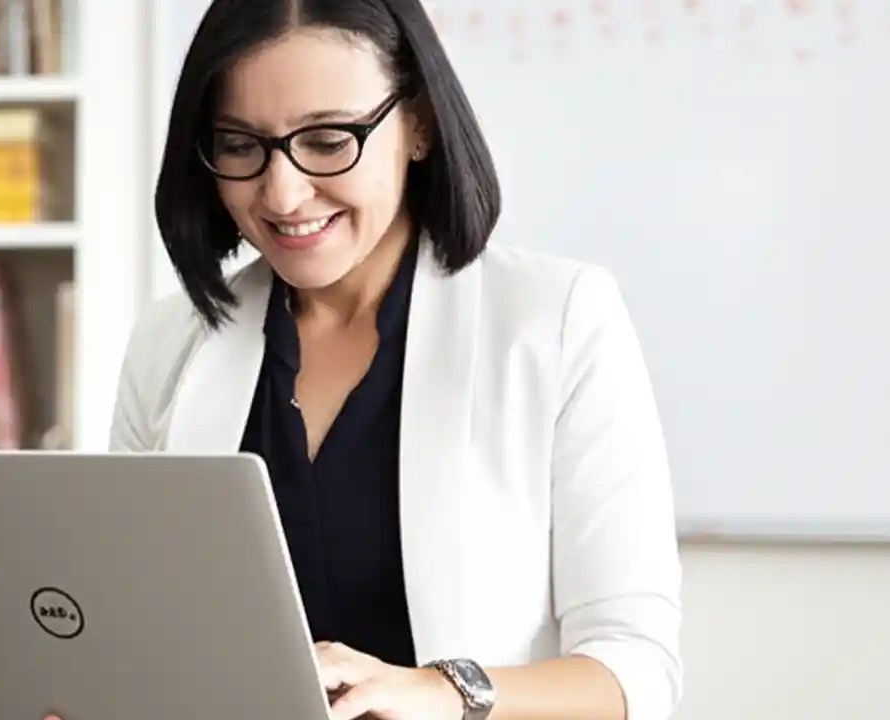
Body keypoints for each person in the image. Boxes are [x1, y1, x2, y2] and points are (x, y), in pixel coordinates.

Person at [110, 1, 683, 719]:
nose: (282, 193)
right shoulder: (171, 341)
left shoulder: (559, 320)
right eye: (239, 145)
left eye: (326, 140)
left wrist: (445, 690)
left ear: (418, 123)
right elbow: (136, 633)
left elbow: (634, 670)